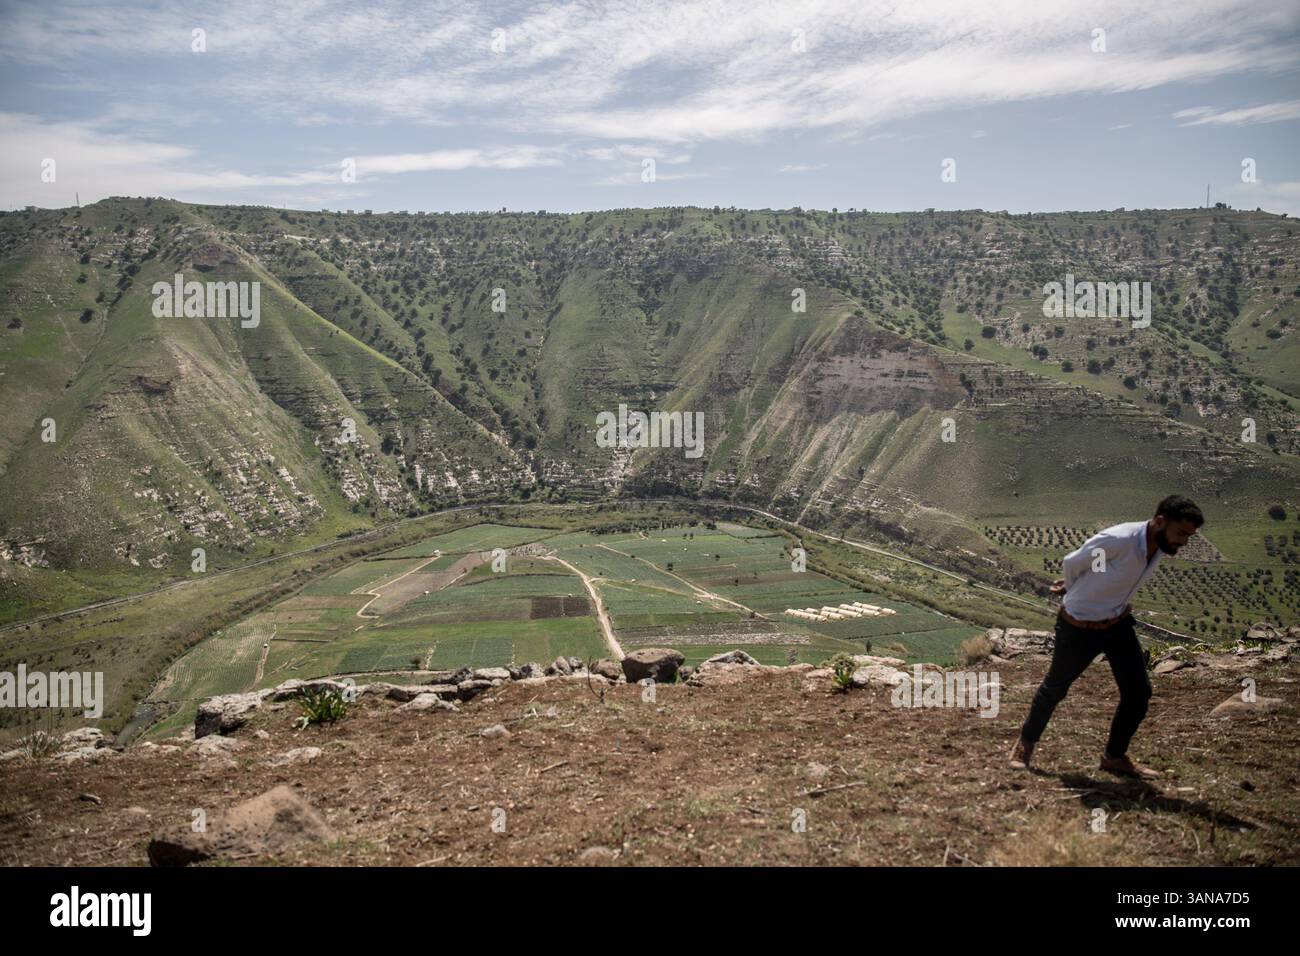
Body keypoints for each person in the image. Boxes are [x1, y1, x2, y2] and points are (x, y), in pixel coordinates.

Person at [1008, 495, 1204, 778]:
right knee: (1055, 688)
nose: (1184, 542)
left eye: (1189, 536)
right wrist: (1076, 590)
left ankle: (1114, 756)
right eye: (1181, 533)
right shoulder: (1119, 540)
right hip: (1079, 626)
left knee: (1138, 692)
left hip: (1117, 624)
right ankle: (1024, 745)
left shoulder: (1160, 544)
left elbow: (1109, 576)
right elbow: (1074, 563)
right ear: (1160, 521)